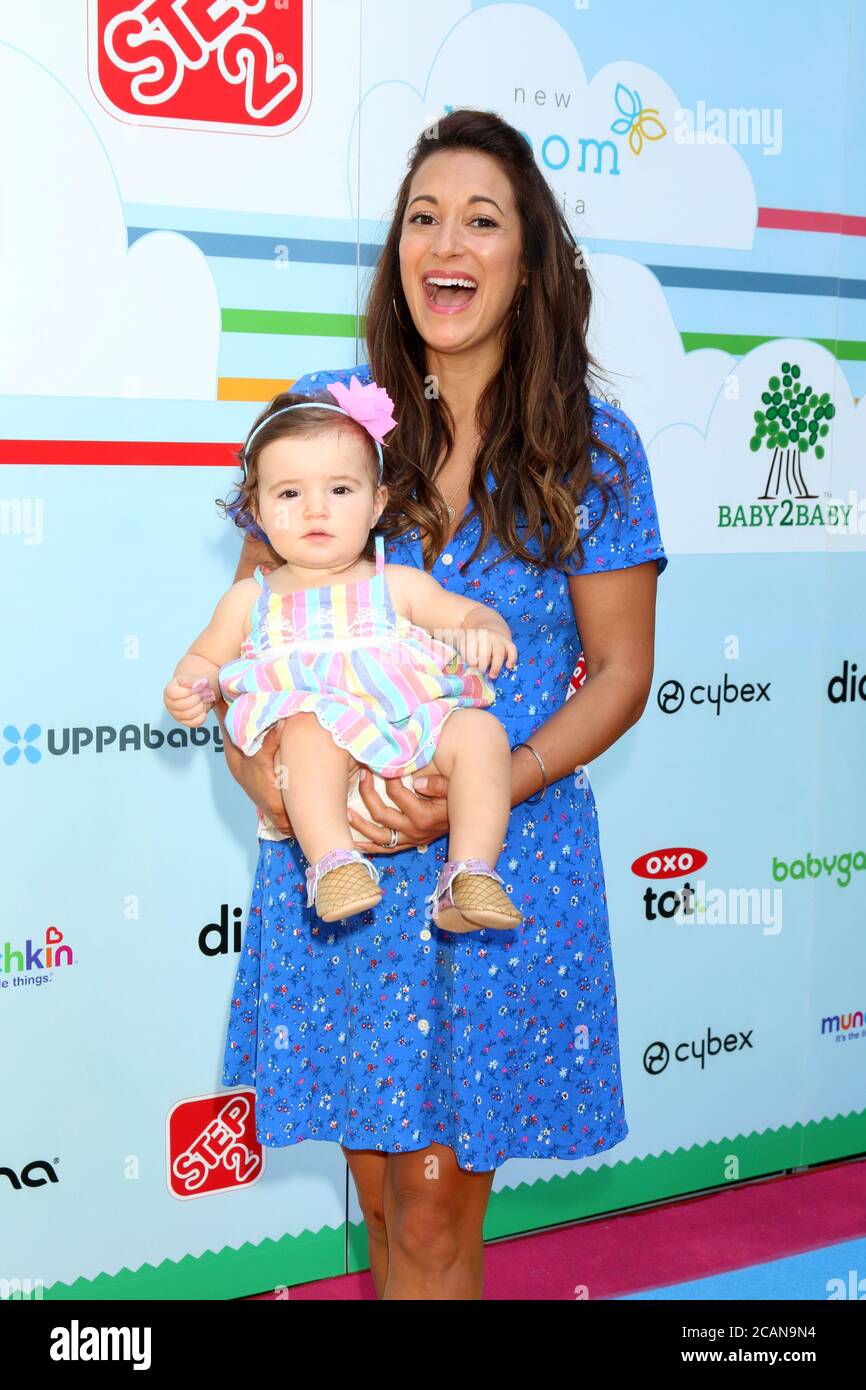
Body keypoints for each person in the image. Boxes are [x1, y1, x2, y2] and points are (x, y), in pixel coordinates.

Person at [217, 109, 668, 1301]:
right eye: (422, 217)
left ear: (530, 259)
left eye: (481, 218)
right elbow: (246, 642)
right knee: (380, 1200)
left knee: (426, 1205)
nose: (445, 242)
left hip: (493, 853)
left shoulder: (594, 447)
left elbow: (619, 673)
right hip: (346, 869)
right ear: (396, 250)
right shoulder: (327, 414)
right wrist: (277, 783)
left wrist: (490, 785)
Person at [164, 375, 522, 930]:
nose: (315, 511)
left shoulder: (396, 584)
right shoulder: (250, 599)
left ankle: (470, 872)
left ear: (377, 502)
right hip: (323, 783)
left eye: (339, 490)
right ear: (257, 513)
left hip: (408, 748)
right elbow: (205, 660)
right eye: (289, 494)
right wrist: (191, 686)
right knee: (308, 727)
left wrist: (485, 631)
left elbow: (464, 615)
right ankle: (333, 865)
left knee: (480, 733)